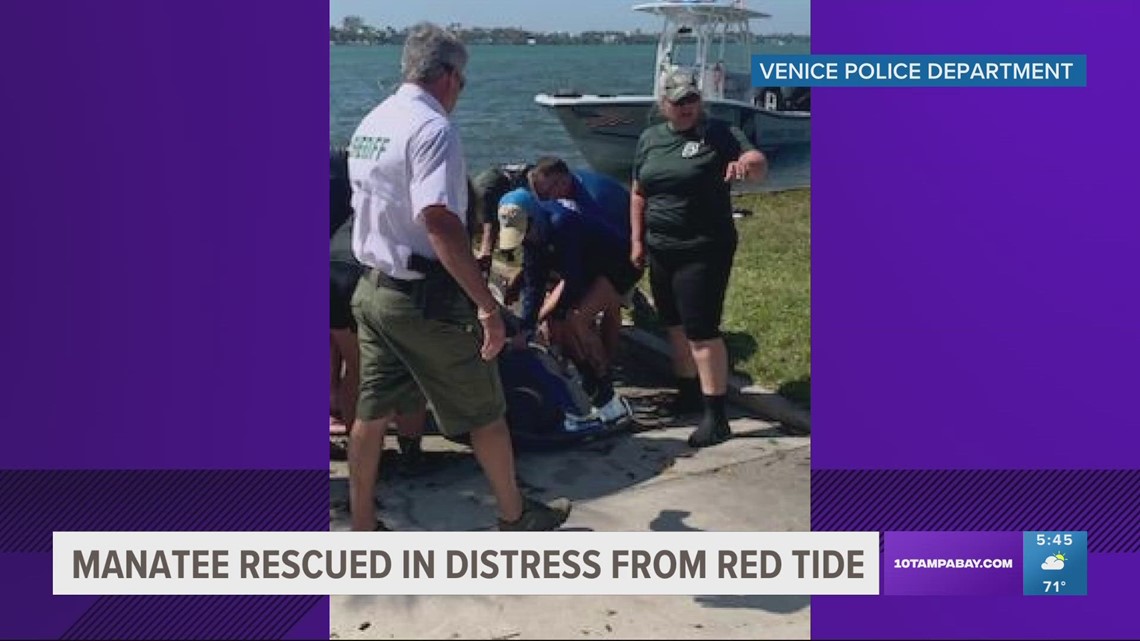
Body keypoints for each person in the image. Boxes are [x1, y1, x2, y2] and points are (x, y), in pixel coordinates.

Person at [345, 22, 570, 531]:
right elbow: (440, 222)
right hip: (422, 298)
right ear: (448, 75)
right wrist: (487, 308)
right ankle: (514, 516)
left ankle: (362, 522)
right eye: (463, 80)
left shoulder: (374, 122)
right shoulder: (433, 130)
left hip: (374, 287)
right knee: (485, 410)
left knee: (372, 410)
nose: (462, 91)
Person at [629, 68, 767, 448]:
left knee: (702, 332)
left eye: (692, 99)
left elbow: (755, 162)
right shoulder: (650, 139)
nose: (687, 107)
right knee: (672, 325)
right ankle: (688, 392)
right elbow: (639, 192)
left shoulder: (718, 132)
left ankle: (716, 416)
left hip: (704, 246)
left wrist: (749, 166)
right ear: (664, 105)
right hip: (660, 246)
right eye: (678, 101)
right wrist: (637, 241)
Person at [496, 188, 638, 423]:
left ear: (534, 217)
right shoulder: (533, 238)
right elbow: (534, 284)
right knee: (559, 324)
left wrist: (544, 316)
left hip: (617, 264)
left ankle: (607, 395)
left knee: (577, 320)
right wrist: (526, 327)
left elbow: (573, 281)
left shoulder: (563, 224)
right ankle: (588, 381)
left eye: (525, 231)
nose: (524, 238)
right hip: (586, 269)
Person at [330, 150, 427, 471]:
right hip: (359, 278)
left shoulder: (357, 205)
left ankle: (353, 437)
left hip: (329, 272)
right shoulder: (400, 208)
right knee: (404, 369)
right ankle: (409, 454)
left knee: (355, 368)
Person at [470, 162, 533, 270]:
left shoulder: (484, 195)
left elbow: (490, 226)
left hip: (499, 183)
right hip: (497, 180)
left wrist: (486, 250)